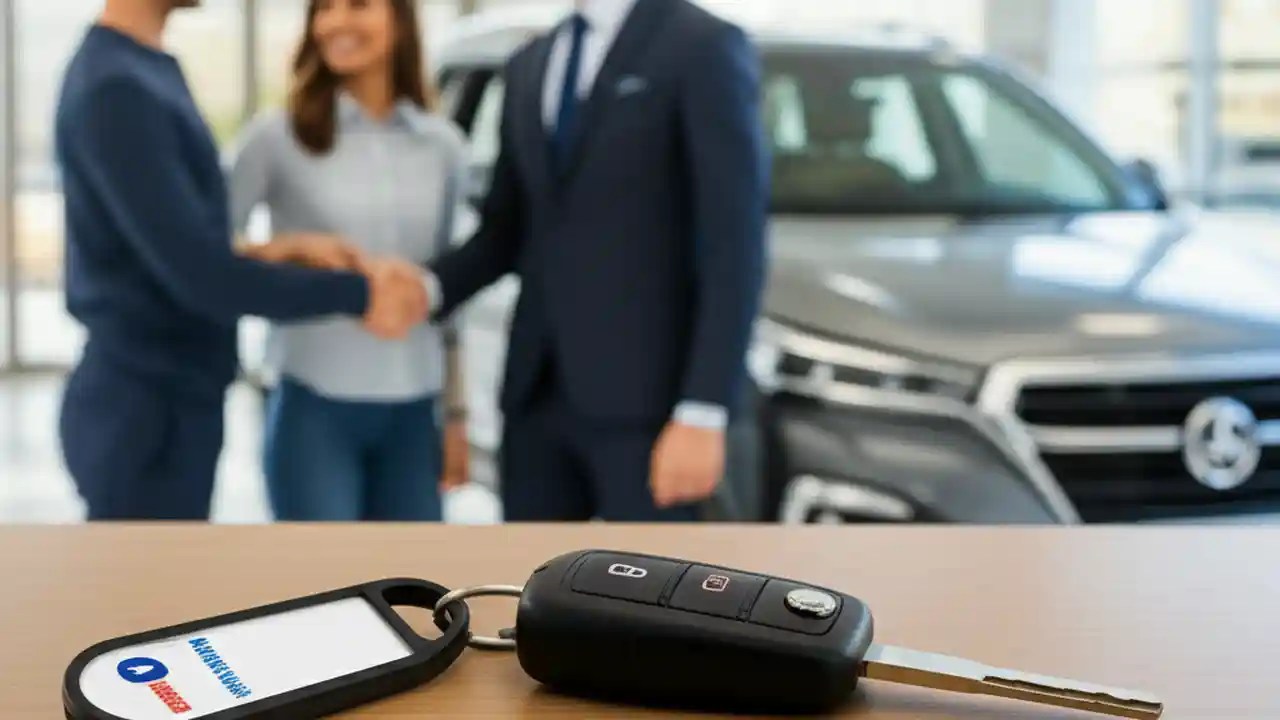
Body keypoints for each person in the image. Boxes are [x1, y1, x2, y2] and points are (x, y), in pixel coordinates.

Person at [55, 0, 428, 521]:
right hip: (144, 407)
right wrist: (361, 293)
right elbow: (204, 278)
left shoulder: (146, 69)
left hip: (171, 394)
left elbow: (168, 245)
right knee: (148, 596)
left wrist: (277, 249)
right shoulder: (117, 89)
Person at [426, 0, 770, 521]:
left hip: (652, 408)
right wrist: (421, 290)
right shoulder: (529, 63)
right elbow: (506, 230)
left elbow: (733, 245)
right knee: (531, 589)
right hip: (535, 399)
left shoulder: (702, 45)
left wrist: (703, 410)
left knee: (650, 596)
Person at [227, 0, 469, 522]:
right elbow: (206, 250)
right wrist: (285, 248)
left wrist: (455, 417)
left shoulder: (443, 146)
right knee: (321, 586)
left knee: (413, 590)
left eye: (357, 5)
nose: (337, 21)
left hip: (413, 408)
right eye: (324, 8)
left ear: (398, 20)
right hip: (313, 404)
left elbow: (448, 293)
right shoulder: (277, 136)